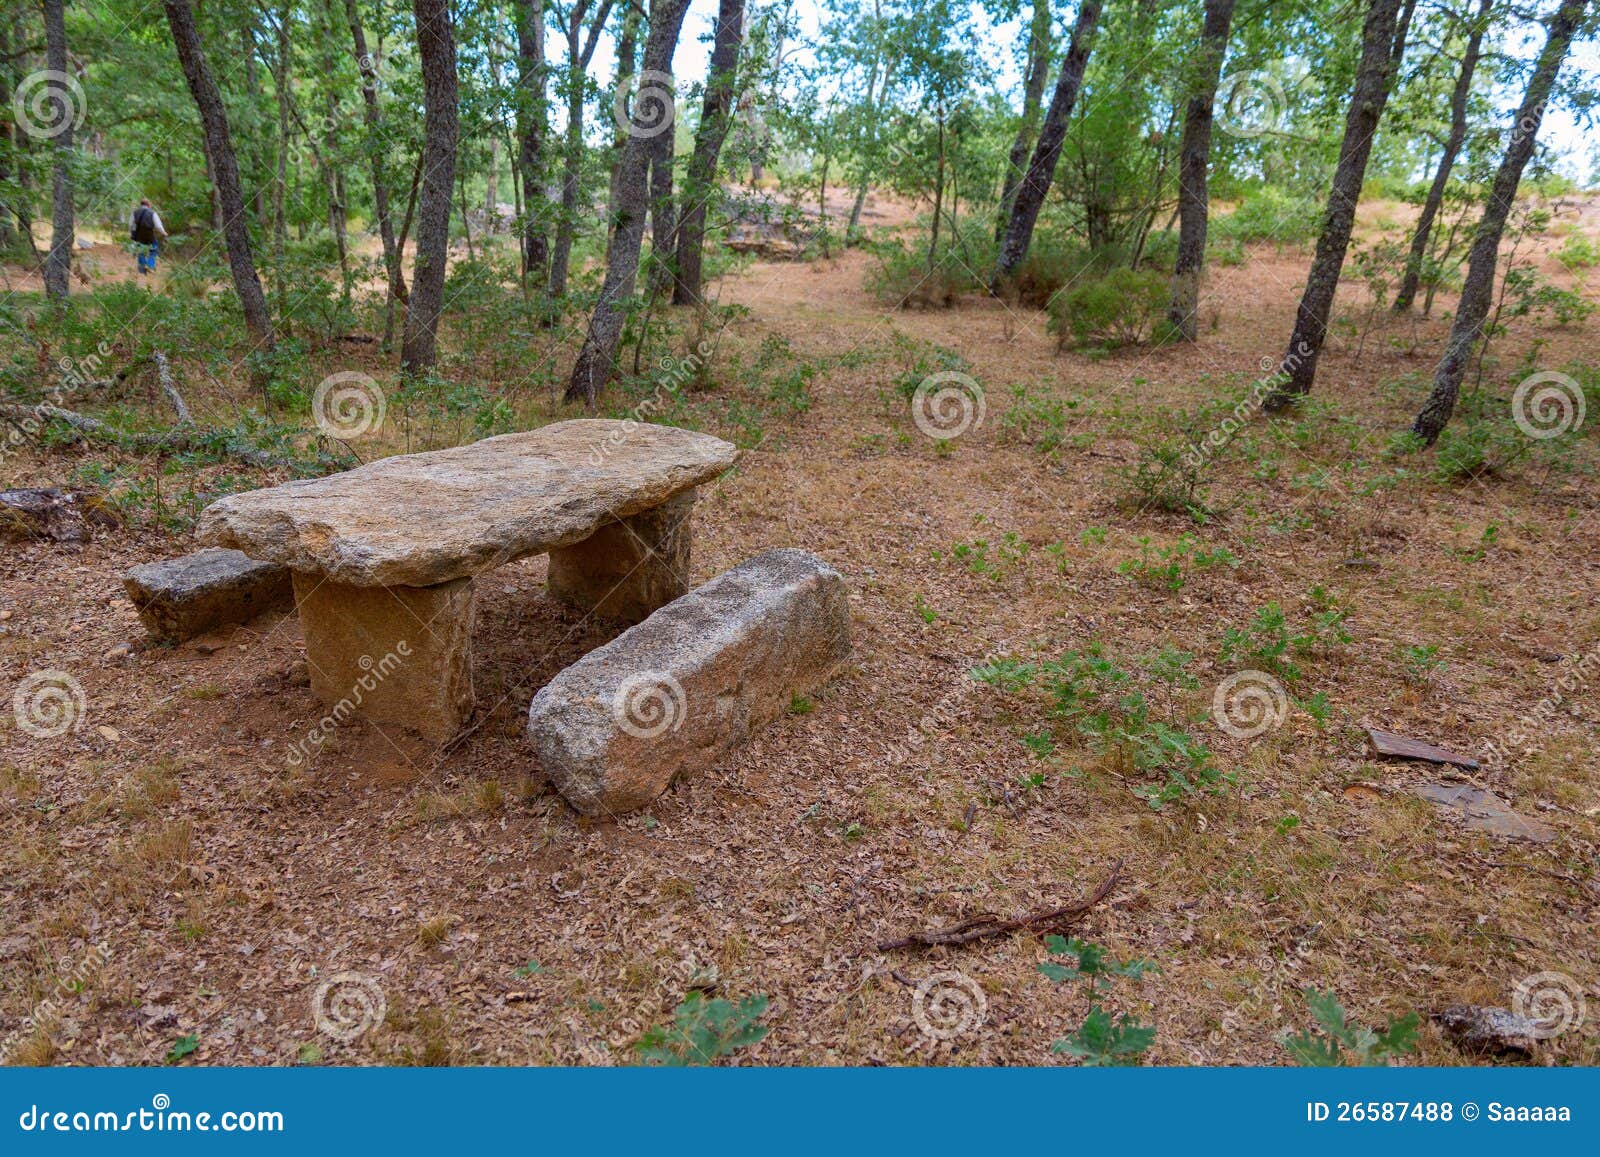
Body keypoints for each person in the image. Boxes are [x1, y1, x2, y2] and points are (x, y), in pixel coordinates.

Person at [129, 198, 168, 274]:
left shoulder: (135, 212)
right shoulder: (152, 213)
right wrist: (164, 233)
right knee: (153, 250)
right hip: (149, 235)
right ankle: (150, 266)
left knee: (140, 250)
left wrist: (131, 233)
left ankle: (142, 269)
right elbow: (158, 226)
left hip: (139, 235)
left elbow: (130, 224)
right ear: (148, 205)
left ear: (141, 204)